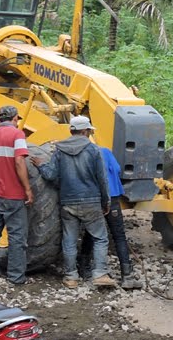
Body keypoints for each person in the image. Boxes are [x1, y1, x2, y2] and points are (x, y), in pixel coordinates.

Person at [37, 116, 116, 288]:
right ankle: (100, 274)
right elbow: (102, 178)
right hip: (91, 201)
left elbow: (50, 175)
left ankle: (71, 277)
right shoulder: (93, 150)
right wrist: (106, 201)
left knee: (69, 240)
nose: (89, 134)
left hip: (68, 201)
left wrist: (41, 165)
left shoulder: (59, 150)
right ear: (83, 131)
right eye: (88, 131)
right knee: (100, 238)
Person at [0, 105, 33, 286]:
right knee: (17, 237)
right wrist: (27, 189)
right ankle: (16, 277)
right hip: (14, 195)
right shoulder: (18, 135)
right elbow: (19, 160)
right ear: (15, 118)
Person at [77, 148, 141, 289]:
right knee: (119, 236)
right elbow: (117, 169)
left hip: (94, 198)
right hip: (112, 196)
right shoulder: (104, 151)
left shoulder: (81, 154)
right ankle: (127, 276)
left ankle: (84, 267)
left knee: (90, 232)